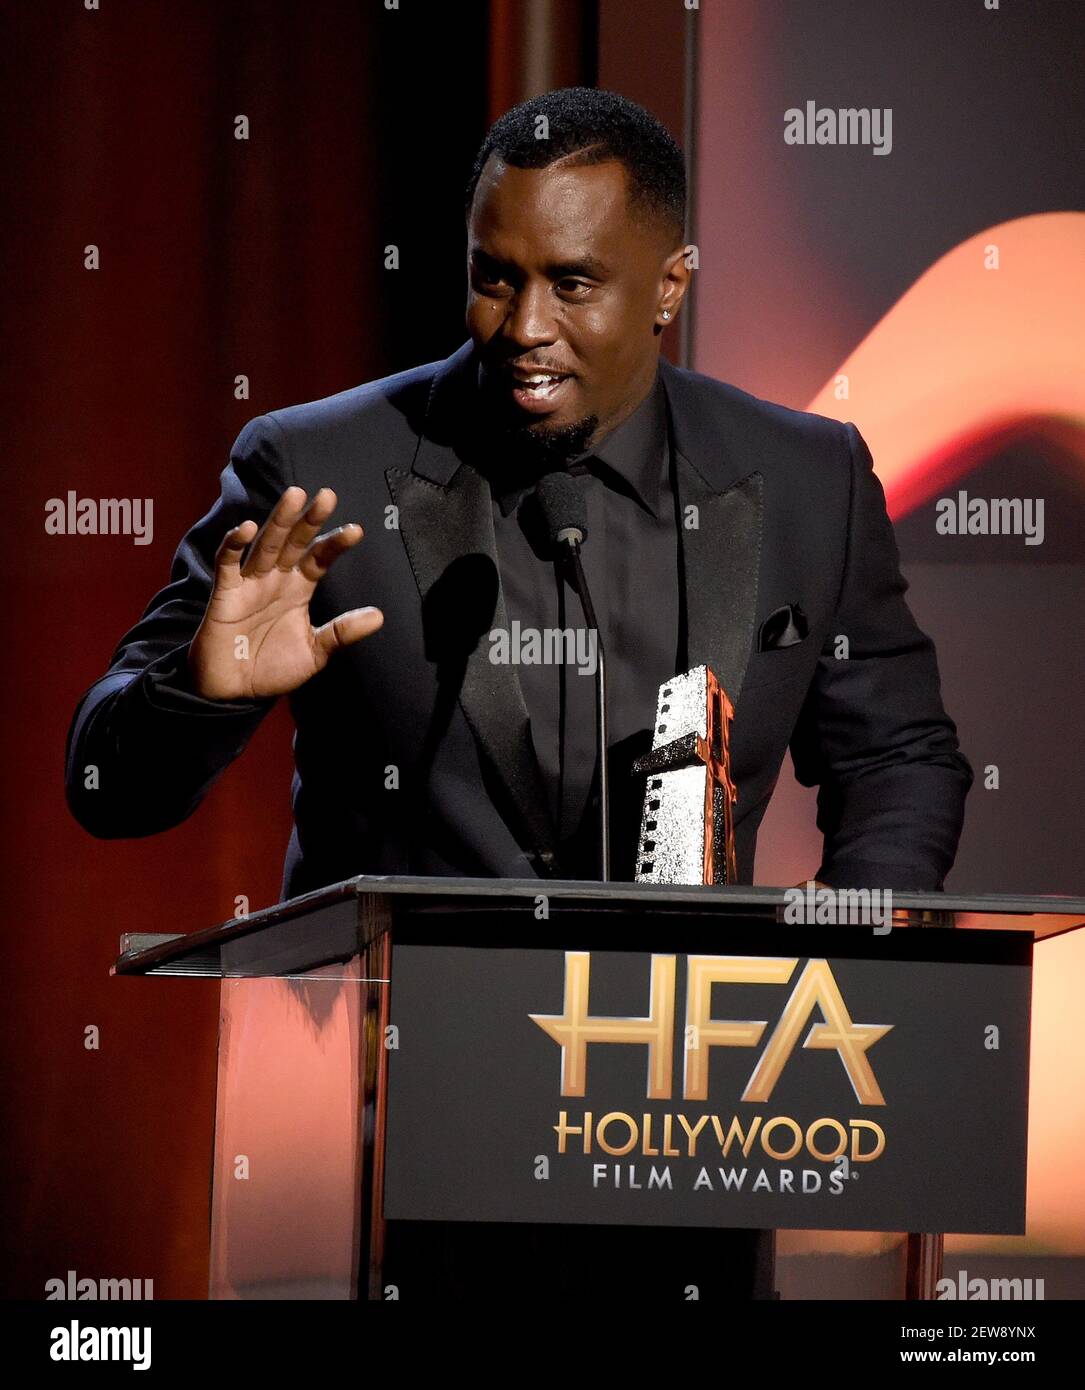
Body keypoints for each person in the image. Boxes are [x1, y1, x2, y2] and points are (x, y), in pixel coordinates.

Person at [64, 87, 973, 1300]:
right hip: (389, 1162)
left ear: (670, 286)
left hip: (691, 1142)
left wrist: (845, 956)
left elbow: (898, 755)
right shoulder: (319, 469)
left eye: (572, 283)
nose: (523, 326)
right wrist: (203, 690)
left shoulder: (806, 478)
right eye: (493, 278)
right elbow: (105, 784)